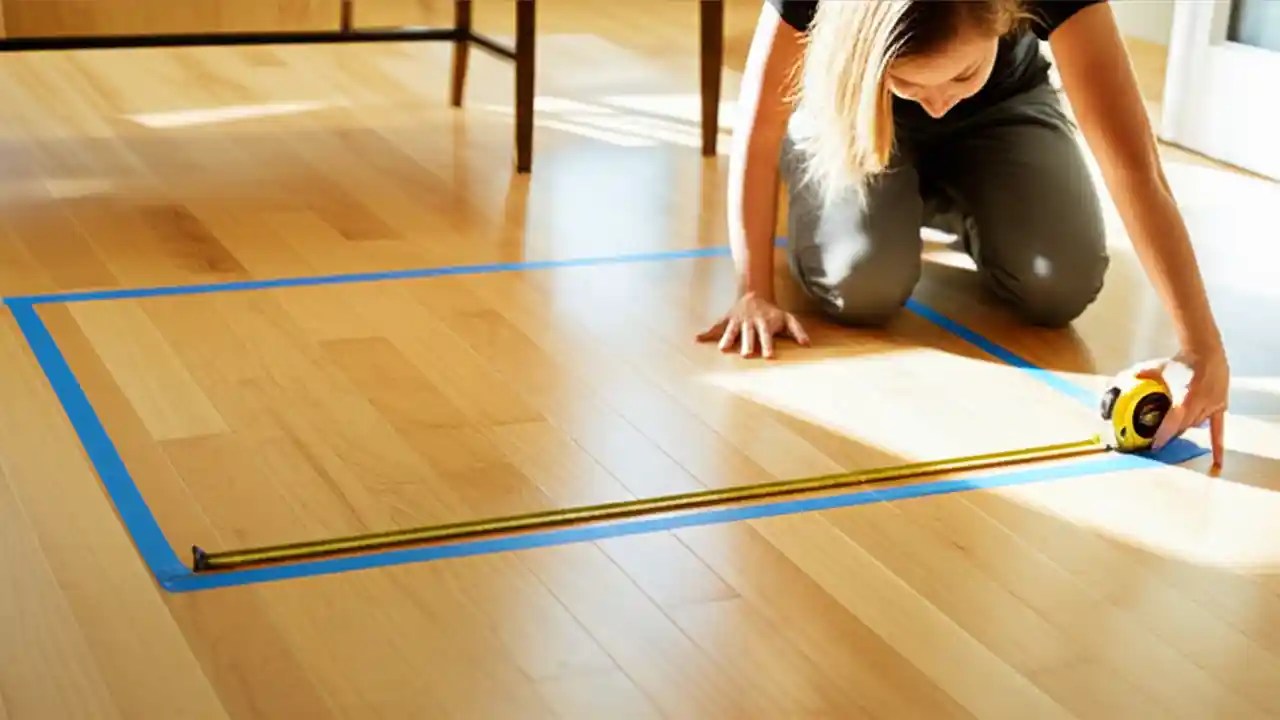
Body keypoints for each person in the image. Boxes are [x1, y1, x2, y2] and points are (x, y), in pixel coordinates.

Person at [697, 0, 1228, 464]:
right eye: (909, 80)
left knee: (1060, 284)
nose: (935, 101)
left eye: (961, 74)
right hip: (863, 110)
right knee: (861, 283)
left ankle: (945, 194)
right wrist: (753, 290)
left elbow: (1135, 166)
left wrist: (1200, 346)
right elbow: (759, 125)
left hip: (1003, 113)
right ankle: (855, 171)